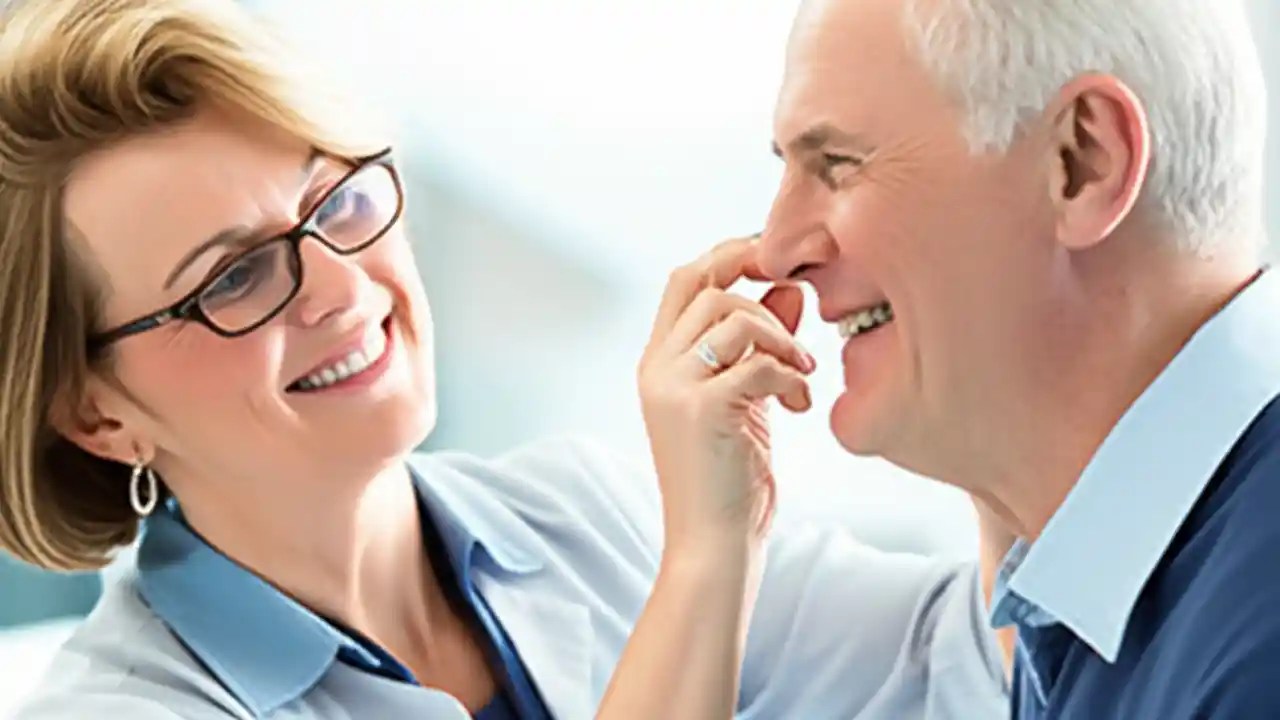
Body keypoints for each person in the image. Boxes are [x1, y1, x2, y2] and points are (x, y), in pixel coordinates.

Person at [0, 0, 1008, 717]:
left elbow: (966, 660)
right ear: (96, 414)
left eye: (336, 201)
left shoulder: (579, 514)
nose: (341, 286)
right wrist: (707, 562)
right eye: (234, 278)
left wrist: (974, 380)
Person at [754, 0, 1279, 716]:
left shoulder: (1253, 647)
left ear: (1082, 162)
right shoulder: (1115, 600)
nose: (776, 251)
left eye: (838, 165)